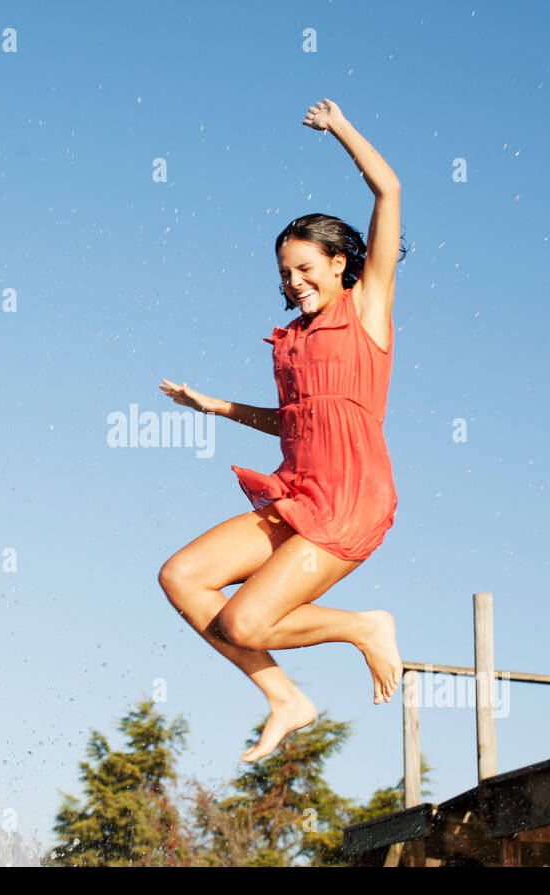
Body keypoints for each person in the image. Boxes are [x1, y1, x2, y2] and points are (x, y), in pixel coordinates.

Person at [158, 98, 407, 762]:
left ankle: (364, 627)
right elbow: (299, 421)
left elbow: (389, 188)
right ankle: (285, 699)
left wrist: (341, 128)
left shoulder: (368, 309)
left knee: (245, 620)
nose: (294, 282)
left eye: (305, 268)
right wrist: (220, 409)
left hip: (349, 502)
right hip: (299, 492)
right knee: (182, 576)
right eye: (284, 274)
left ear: (339, 264)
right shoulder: (292, 341)